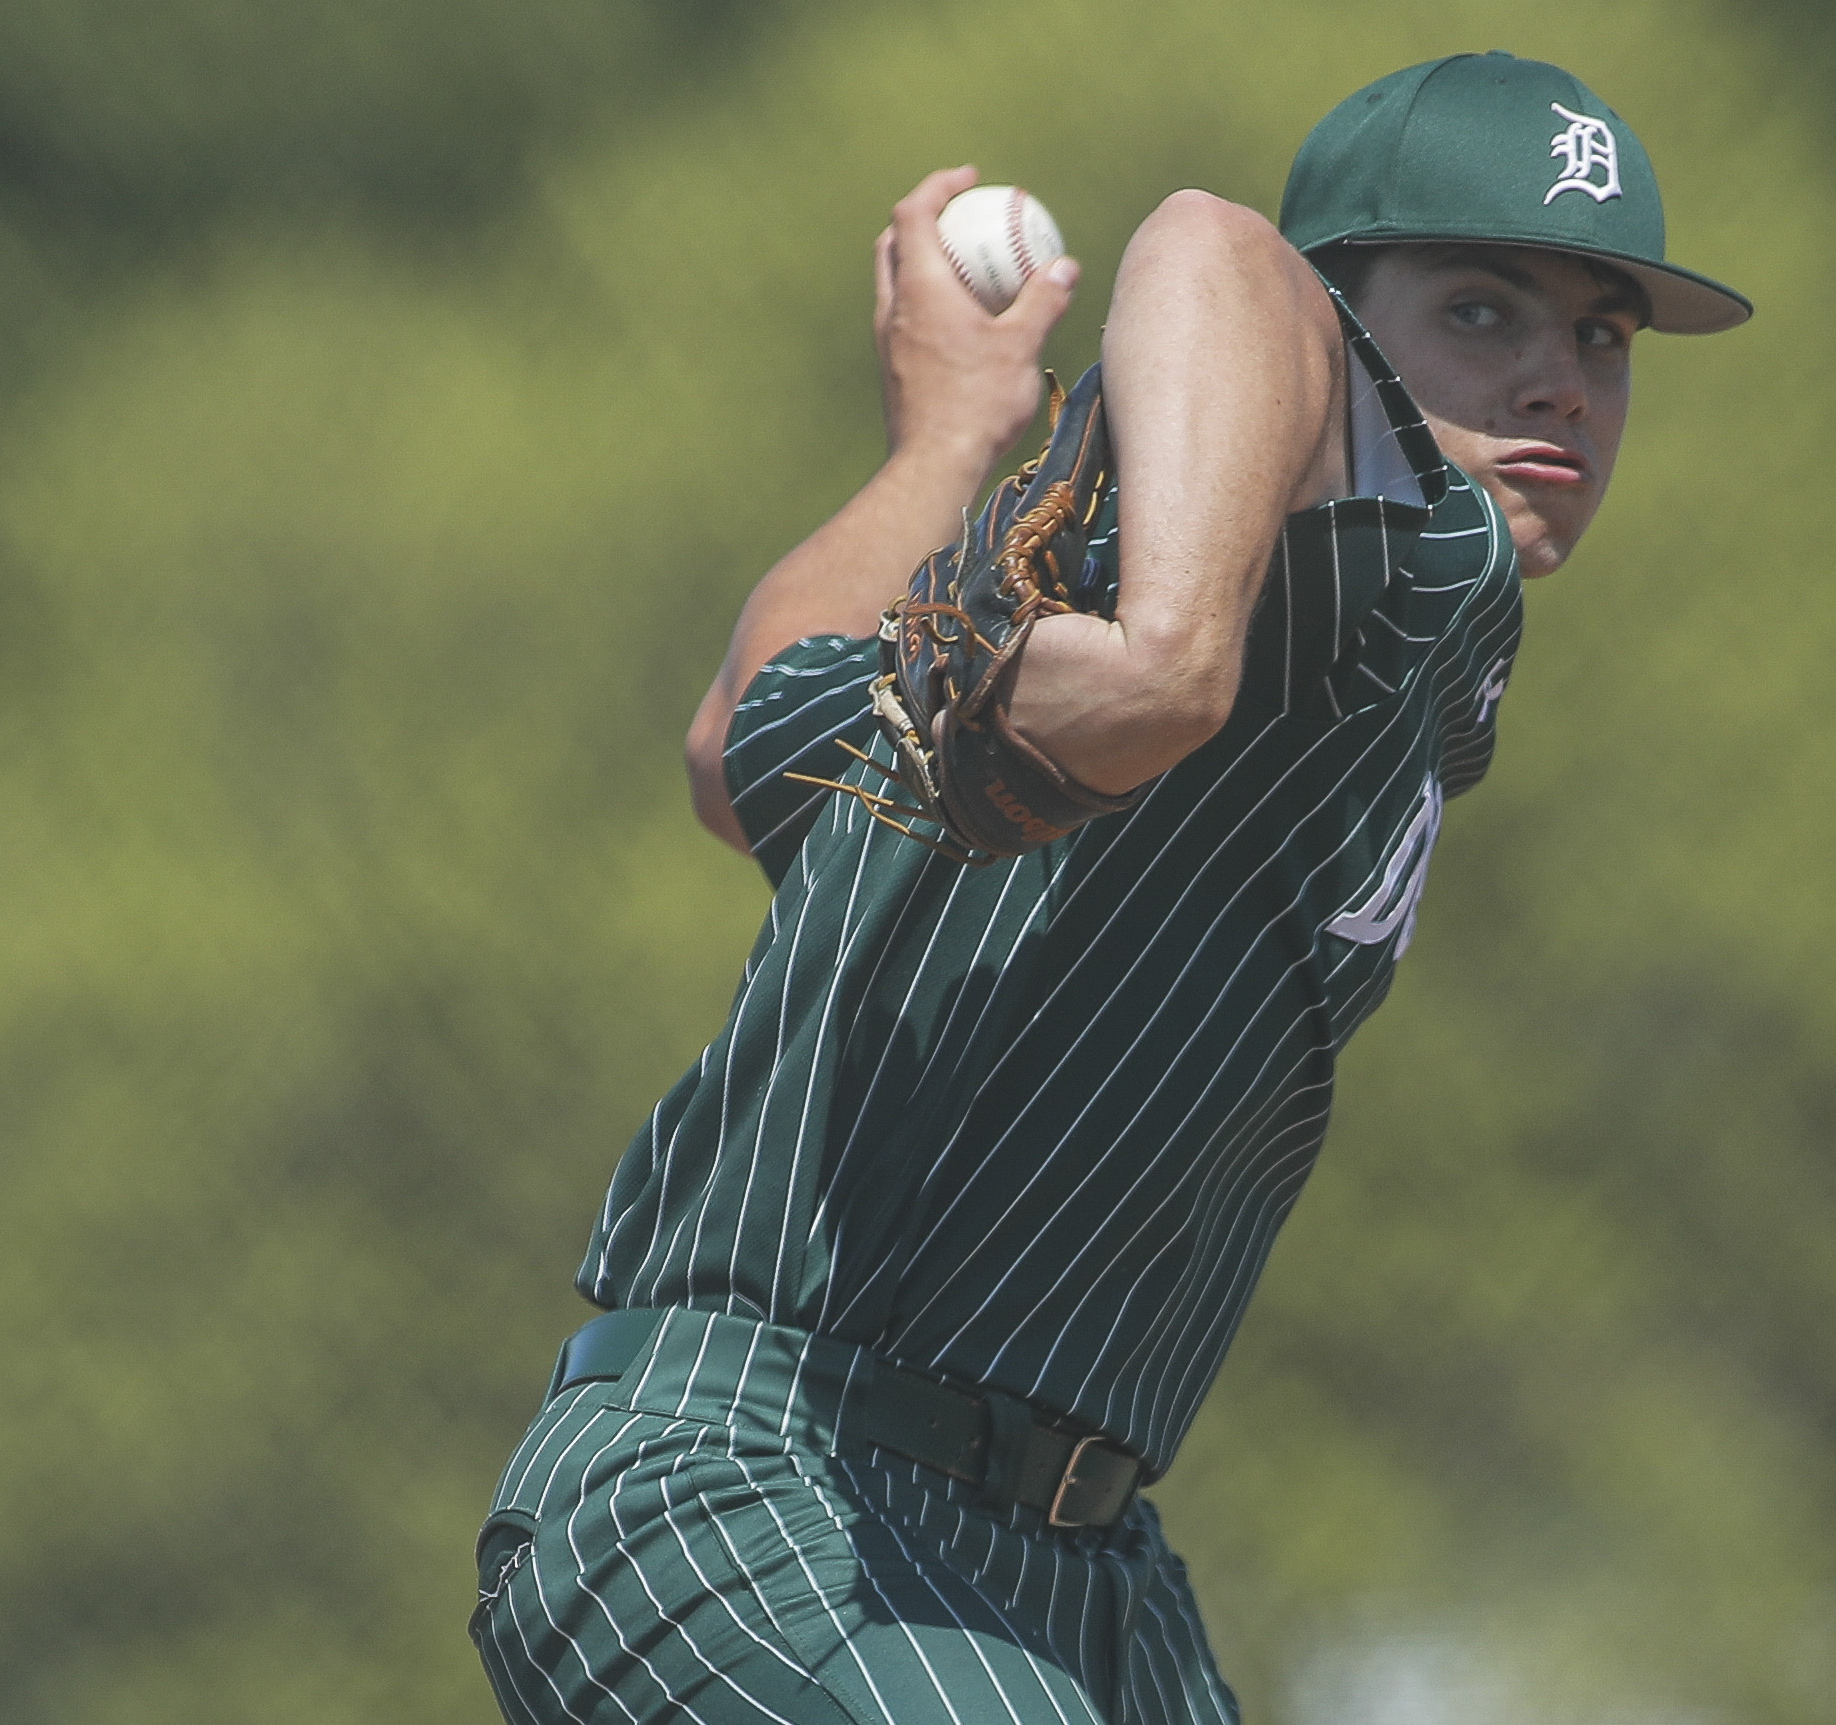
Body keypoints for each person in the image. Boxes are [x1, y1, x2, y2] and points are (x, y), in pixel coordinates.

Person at [470, 51, 1748, 1725]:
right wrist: (1161, 663)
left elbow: (743, 737)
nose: (1559, 382)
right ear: (1345, 333)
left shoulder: (1044, 609)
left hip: (1067, 1569)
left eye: (1599, 335)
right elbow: (1217, 248)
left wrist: (952, 435)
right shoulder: (1408, 550)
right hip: (757, 1486)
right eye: (1483, 312)